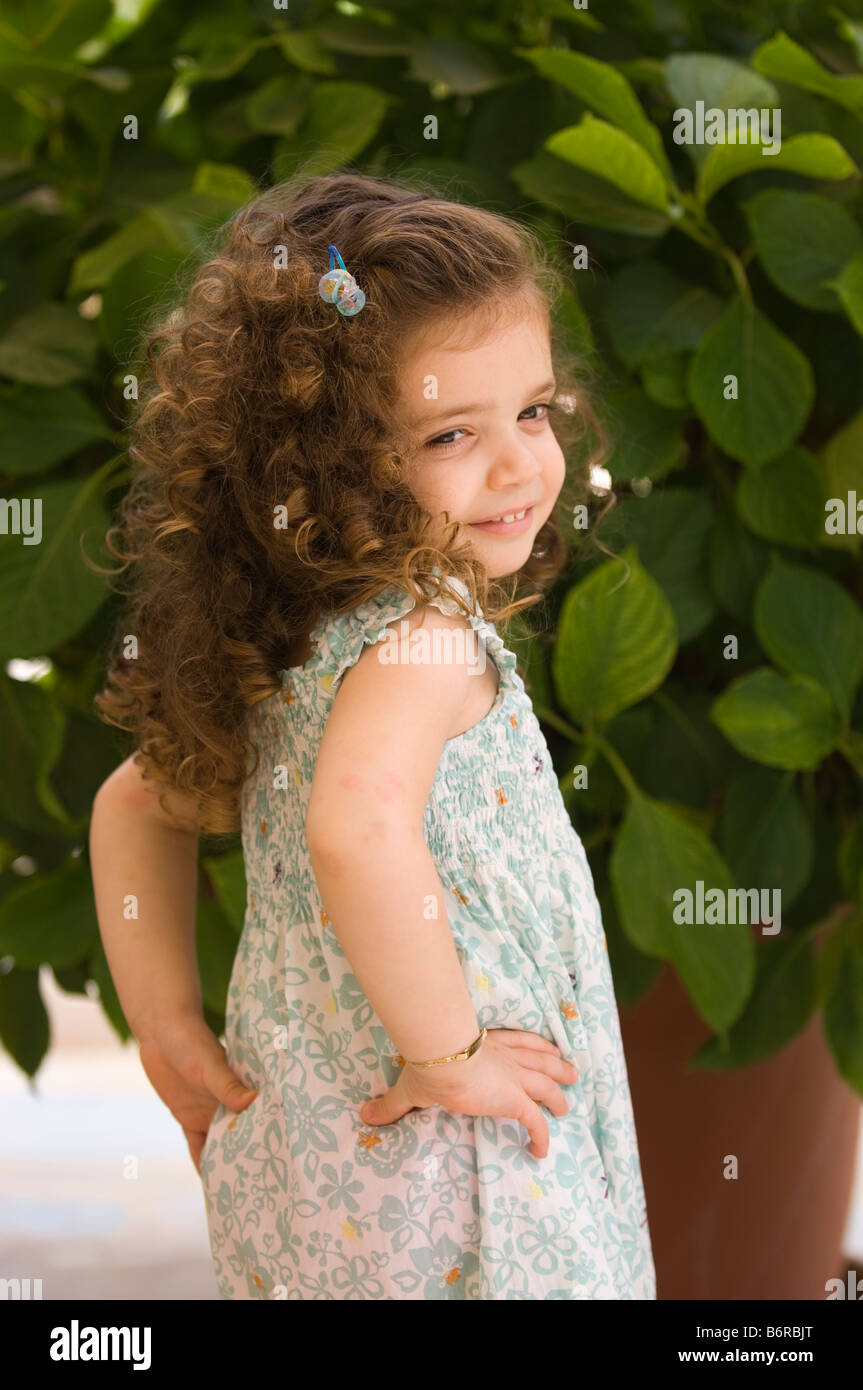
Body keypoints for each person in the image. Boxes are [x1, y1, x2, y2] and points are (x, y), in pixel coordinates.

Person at [89, 169, 656, 1301]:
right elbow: (356, 828)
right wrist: (447, 1057)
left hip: (311, 1161)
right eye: (453, 432)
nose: (518, 465)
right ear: (328, 461)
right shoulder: (425, 641)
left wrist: (166, 1025)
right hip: (454, 1172)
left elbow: (136, 802)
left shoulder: (290, 642)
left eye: (532, 411)